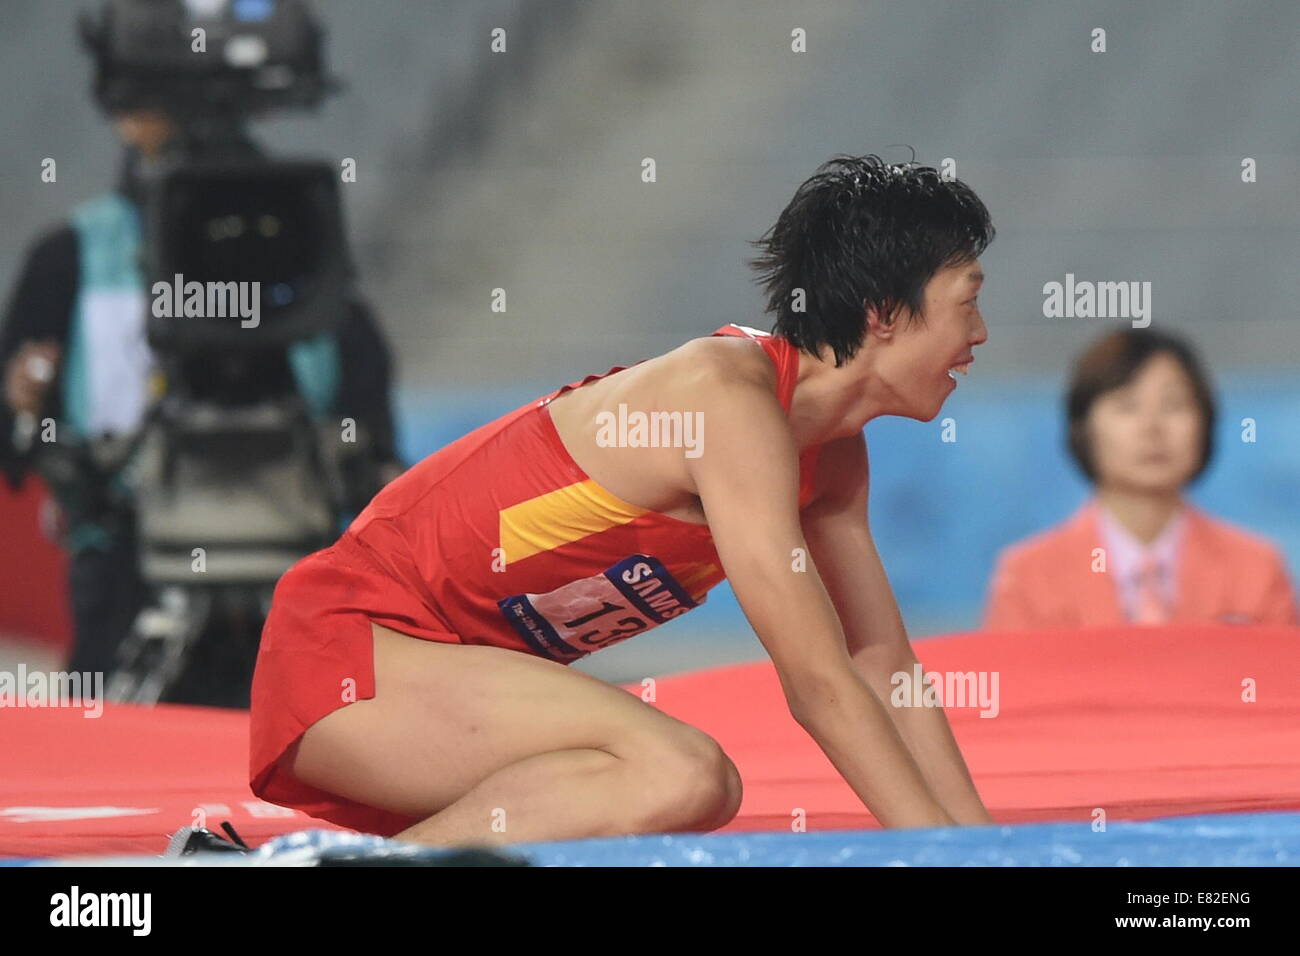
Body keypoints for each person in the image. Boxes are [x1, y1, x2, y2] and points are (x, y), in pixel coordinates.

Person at [249, 154, 995, 845]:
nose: (980, 333)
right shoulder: (723, 397)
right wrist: (941, 859)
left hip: (450, 688)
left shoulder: (831, 457)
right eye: (968, 301)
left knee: (669, 779)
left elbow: (880, 662)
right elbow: (818, 681)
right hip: (352, 655)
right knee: (683, 775)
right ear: (884, 312)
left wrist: (982, 848)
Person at [0, 107, 402, 686]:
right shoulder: (73, 257)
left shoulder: (318, 284)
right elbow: (15, 447)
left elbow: (375, 446)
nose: (225, 266)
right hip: (124, 584)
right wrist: (24, 411)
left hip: (299, 583)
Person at [983, 328, 1298, 630]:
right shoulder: (1027, 576)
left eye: (1173, 404)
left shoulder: (1257, 569)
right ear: (1084, 429)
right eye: (1127, 406)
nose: (1152, 427)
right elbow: (1014, 684)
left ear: (1205, 424)